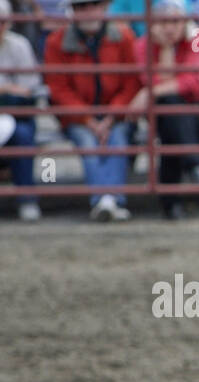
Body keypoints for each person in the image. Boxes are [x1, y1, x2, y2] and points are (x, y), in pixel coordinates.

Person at [44, 0, 143, 221]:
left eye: (93, 5)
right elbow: (58, 89)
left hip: (115, 114)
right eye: (81, 7)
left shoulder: (124, 37)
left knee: (117, 138)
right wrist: (88, 119)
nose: (88, 12)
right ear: (73, 11)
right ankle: (107, 200)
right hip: (78, 118)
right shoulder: (56, 41)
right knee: (88, 141)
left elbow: (131, 82)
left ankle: (105, 200)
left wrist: (110, 117)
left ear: (104, 7)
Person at [132, 0, 199, 218]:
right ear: (153, 24)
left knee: (172, 125)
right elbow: (152, 79)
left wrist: (151, 92)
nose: (169, 27)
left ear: (185, 20)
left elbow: (196, 79)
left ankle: (170, 203)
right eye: (163, 21)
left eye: (175, 20)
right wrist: (165, 48)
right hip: (171, 110)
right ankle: (194, 165)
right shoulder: (143, 45)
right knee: (172, 109)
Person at [0, 0, 41, 220]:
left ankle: (27, 200)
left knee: (24, 134)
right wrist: (7, 88)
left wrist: (8, 92)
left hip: (14, 115)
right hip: (8, 109)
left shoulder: (19, 45)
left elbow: (28, 89)